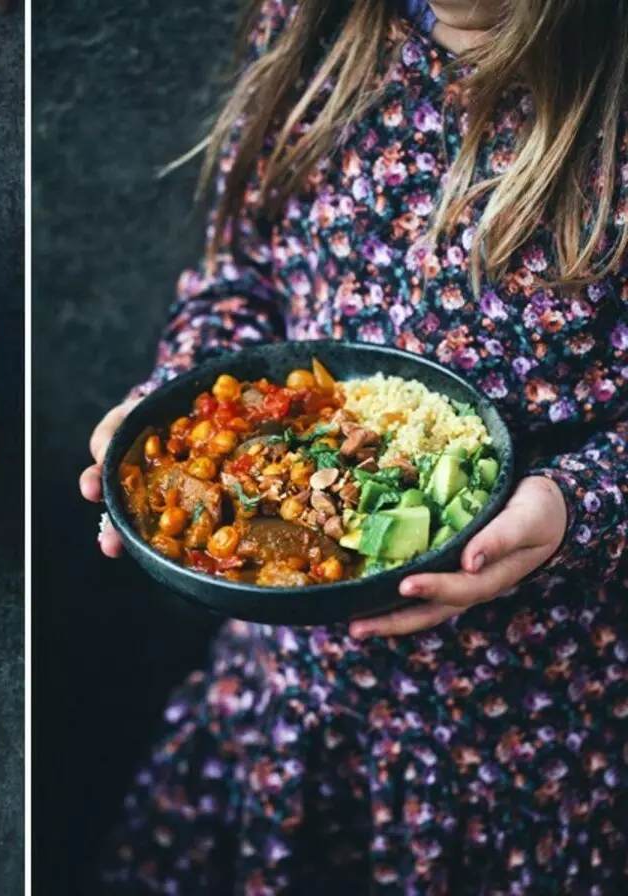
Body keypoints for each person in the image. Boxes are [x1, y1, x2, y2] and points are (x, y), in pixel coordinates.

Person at [79, 0, 628, 890]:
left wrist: (574, 509)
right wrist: (176, 397)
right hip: (284, 703)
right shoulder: (306, 25)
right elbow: (238, 271)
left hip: (521, 743)